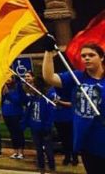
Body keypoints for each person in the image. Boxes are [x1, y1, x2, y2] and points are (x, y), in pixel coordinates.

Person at [43, 39, 105, 174]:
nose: (86, 58)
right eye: (83, 56)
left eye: (91, 55)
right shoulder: (76, 77)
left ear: (101, 57)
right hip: (88, 143)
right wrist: (48, 53)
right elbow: (49, 78)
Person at [22, 73, 56, 174]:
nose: (30, 87)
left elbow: (50, 114)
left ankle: (52, 167)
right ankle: (41, 167)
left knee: (48, 149)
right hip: (34, 127)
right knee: (38, 149)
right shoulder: (32, 98)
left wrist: (47, 126)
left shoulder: (47, 98)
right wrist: (25, 123)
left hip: (45, 128)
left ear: (37, 86)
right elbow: (28, 111)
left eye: (33, 85)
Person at [49, 82, 77, 166]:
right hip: (57, 118)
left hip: (69, 118)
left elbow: (73, 103)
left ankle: (74, 157)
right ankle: (67, 157)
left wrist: (60, 102)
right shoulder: (51, 90)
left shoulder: (68, 89)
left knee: (71, 139)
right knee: (64, 139)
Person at [1, 75, 27, 159]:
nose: (8, 79)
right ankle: (15, 151)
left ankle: (21, 152)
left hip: (16, 114)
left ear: (13, 79)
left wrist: (8, 94)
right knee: (12, 134)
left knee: (18, 133)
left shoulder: (17, 89)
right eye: (6, 77)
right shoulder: (4, 89)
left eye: (10, 77)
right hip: (7, 115)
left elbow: (18, 101)